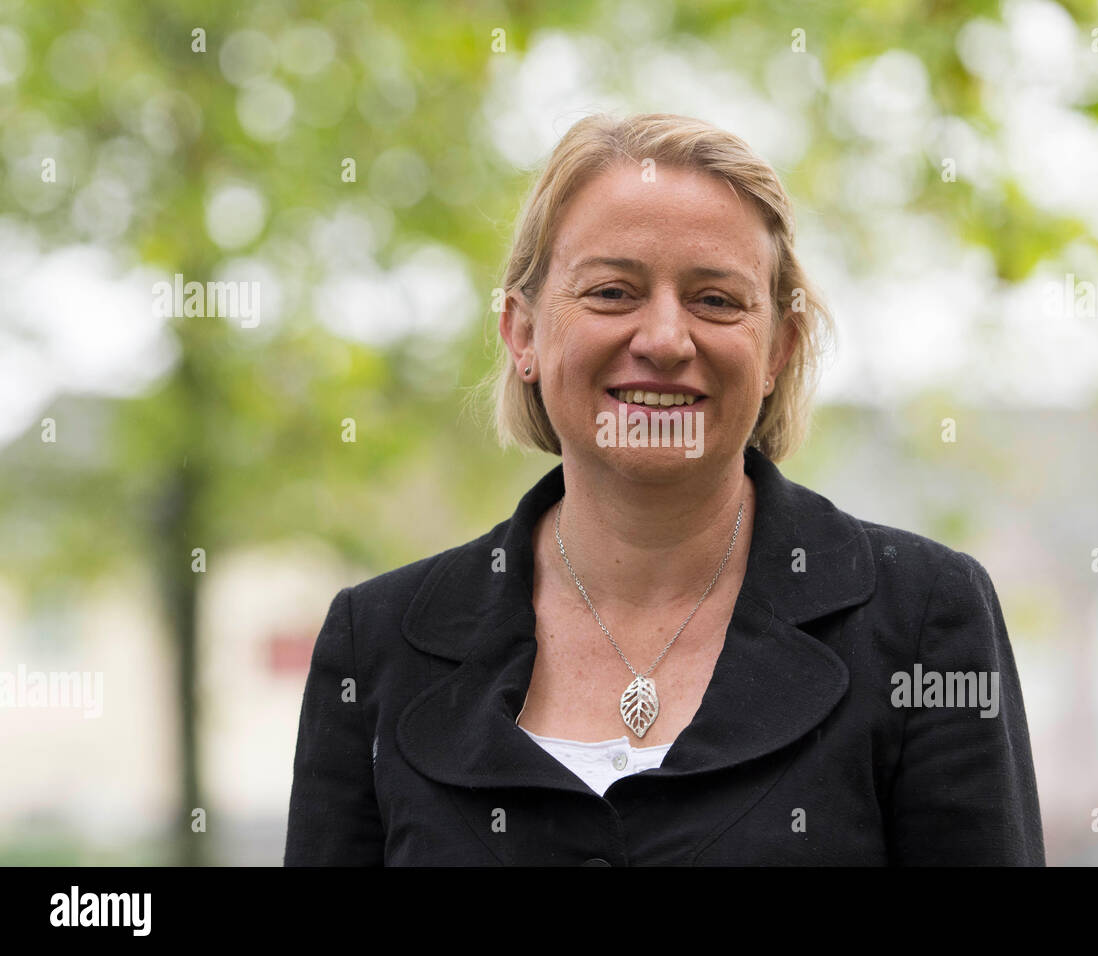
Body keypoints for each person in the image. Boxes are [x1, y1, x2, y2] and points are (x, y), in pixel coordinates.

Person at [284, 112, 1045, 866]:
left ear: (778, 346)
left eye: (716, 300)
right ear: (522, 335)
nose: (664, 340)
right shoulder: (374, 645)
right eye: (613, 292)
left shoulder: (922, 618)